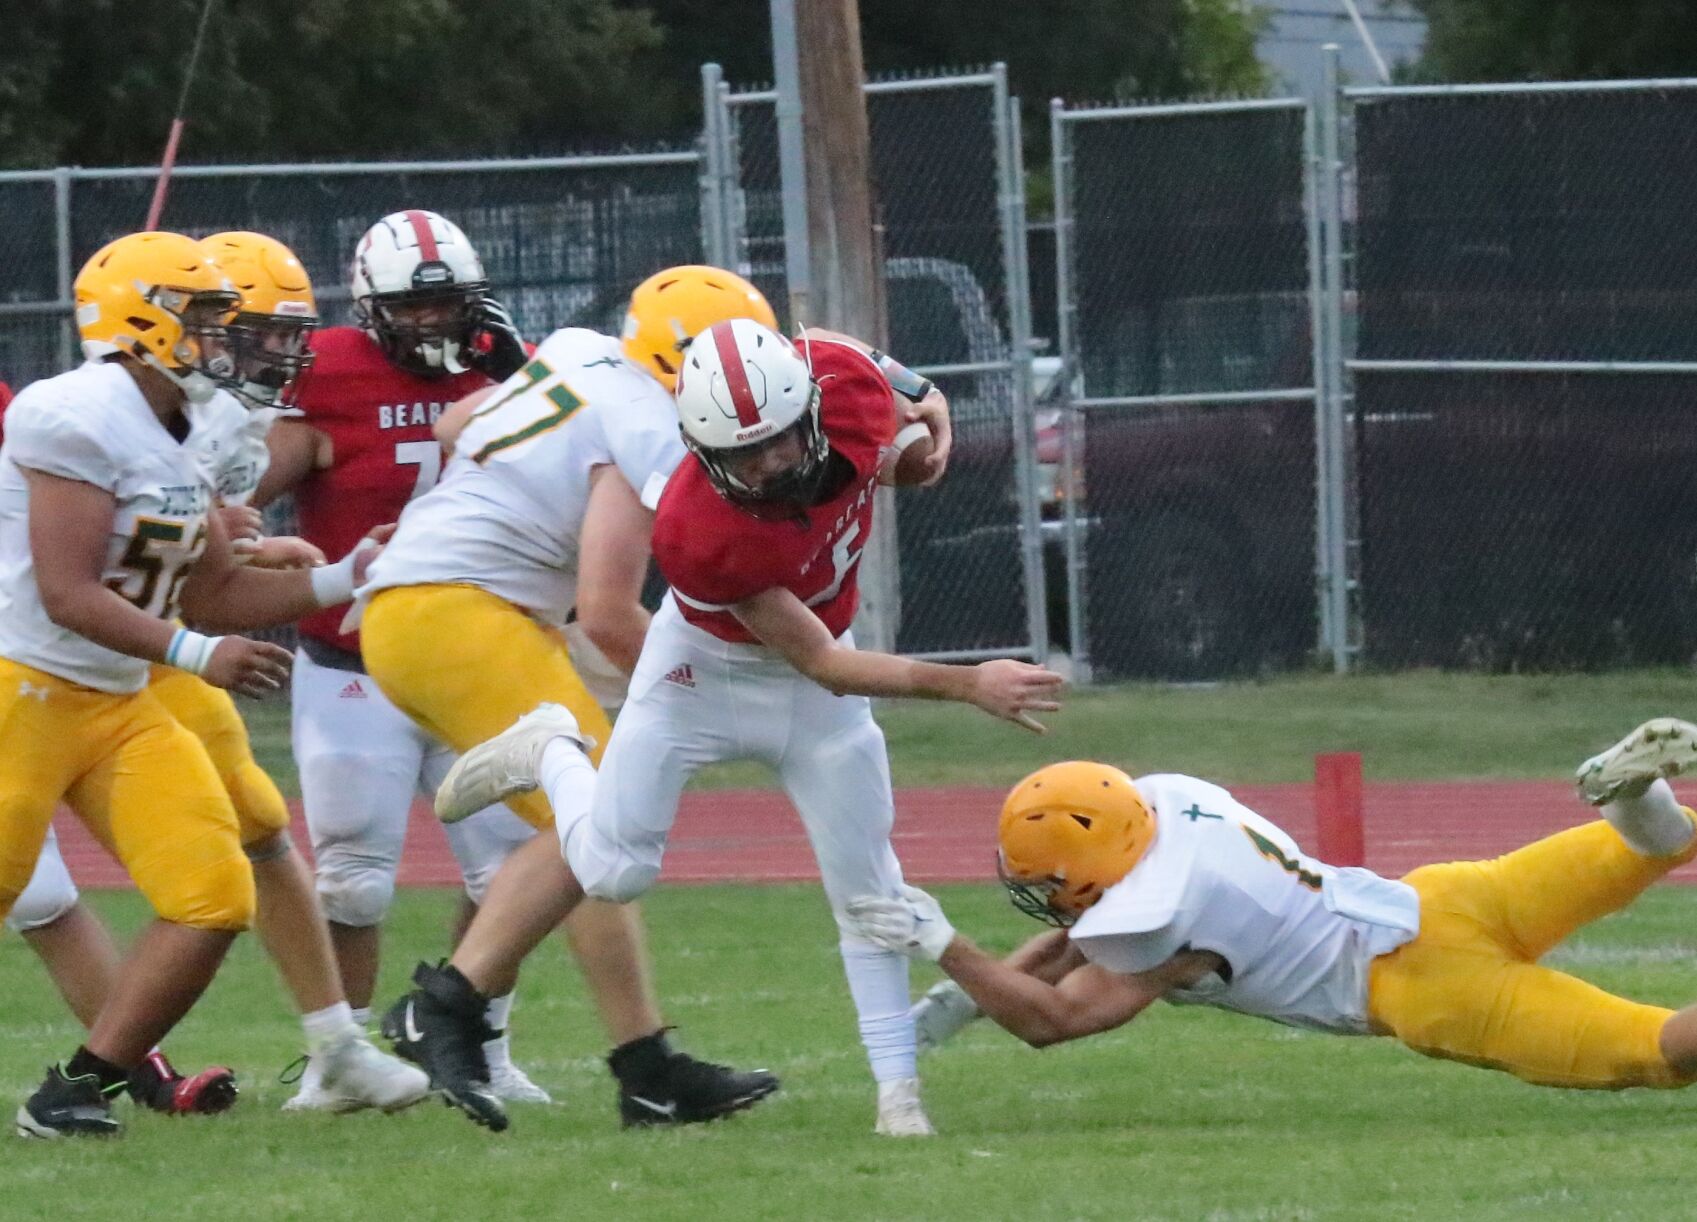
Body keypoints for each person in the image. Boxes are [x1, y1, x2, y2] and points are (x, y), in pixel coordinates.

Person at [406, 317, 1062, 1137]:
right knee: (613, 872)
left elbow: (918, 397)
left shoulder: (846, 382)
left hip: (815, 686)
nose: (765, 467)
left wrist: (929, 445)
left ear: (809, 409)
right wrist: (969, 683)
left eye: (777, 444)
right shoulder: (697, 525)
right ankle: (552, 747)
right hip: (705, 674)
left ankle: (899, 1101)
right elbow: (818, 661)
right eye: (739, 456)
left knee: (870, 893)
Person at [354, 265, 791, 1133]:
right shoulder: (650, 425)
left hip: (427, 612)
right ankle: (453, 1008)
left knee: (590, 829)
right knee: (599, 824)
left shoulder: (582, 350)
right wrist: (706, 694)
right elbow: (607, 608)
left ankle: (641, 1067)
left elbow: (454, 420)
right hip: (461, 613)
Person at [1, 230, 392, 1138]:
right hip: (23, 687)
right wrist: (192, 656)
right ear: (145, 322)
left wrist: (349, 577)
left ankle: (75, 1092)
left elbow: (215, 590)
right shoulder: (74, 415)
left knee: (214, 895)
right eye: (204, 316)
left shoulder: (191, 420)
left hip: (114, 698)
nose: (220, 335)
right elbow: (66, 593)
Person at [844, 718, 1697, 1099]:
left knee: (1655, 1050)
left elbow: (1053, 1020)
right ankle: (1635, 801)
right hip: (1442, 897)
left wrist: (940, 940)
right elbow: (1075, 945)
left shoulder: (1157, 923)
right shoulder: (1168, 810)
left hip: (1424, 987)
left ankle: (1636, 803)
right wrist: (948, 1014)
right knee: (1651, 848)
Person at [254, 209, 568, 1106]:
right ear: (370, 307)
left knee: (508, 864)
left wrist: (519, 375)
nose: (434, 325)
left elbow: (580, 456)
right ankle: (341, 1061)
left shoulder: (514, 362)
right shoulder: (328, 375)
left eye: (448, 308)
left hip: (477, 649)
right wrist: (248, 541)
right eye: (412, 309)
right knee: (352, 875)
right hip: (354, 663)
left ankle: (485, 1049)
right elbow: (246, 493)